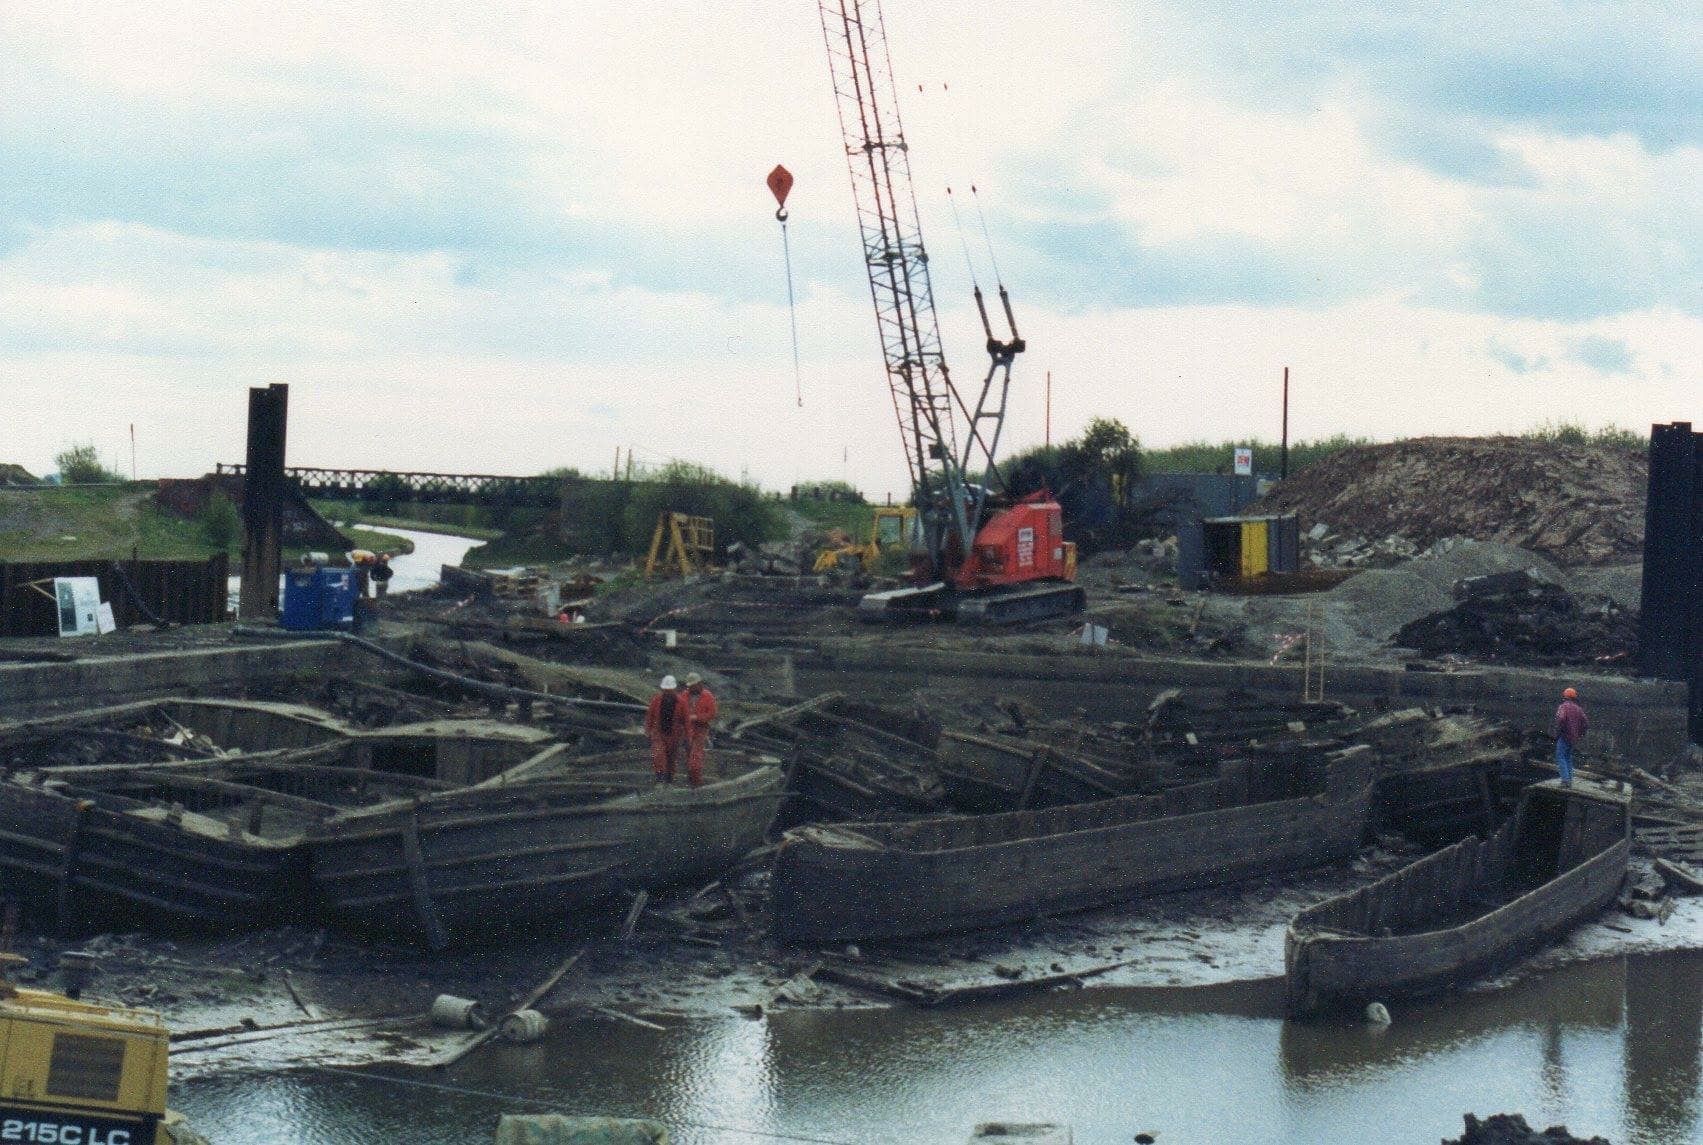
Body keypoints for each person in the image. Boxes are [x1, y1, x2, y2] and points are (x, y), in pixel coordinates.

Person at [680, 672, 718, 789]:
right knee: (687, 755)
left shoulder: (708, 696)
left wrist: (697, 717)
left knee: (695, 759)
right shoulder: (684, 695)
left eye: (693, 685)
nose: (691, 688)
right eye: (689, 686)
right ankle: (691, 781)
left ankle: (697, 785)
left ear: (699, 684)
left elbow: (711, 713)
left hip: (700, 729)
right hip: (686, 730)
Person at [645, 675, 684, 784]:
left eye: (670, 690)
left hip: (674, 734)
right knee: (658, 755)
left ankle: (669, 781)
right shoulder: (656, 700)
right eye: (666, 690)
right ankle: (659, 780)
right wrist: (648, 731)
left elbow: (685, 720)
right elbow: (650, 716)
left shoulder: (681, 702)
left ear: (674, 689)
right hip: (659, 733)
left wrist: (687, 736)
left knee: (671, 758)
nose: (668, 692)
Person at [1554, 686, 1587, 787]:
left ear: (1564, 696)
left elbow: (1561, 719)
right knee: (1568, 757)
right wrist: (1579, 733)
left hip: (1564, 736)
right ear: (1574, 697)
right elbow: (1585, 723)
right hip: (1573, 738)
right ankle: (1570, 780)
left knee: (1560, 756)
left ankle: (1565, 780)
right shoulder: (1579, 709)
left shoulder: (1563, 706)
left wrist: (1560, 731)